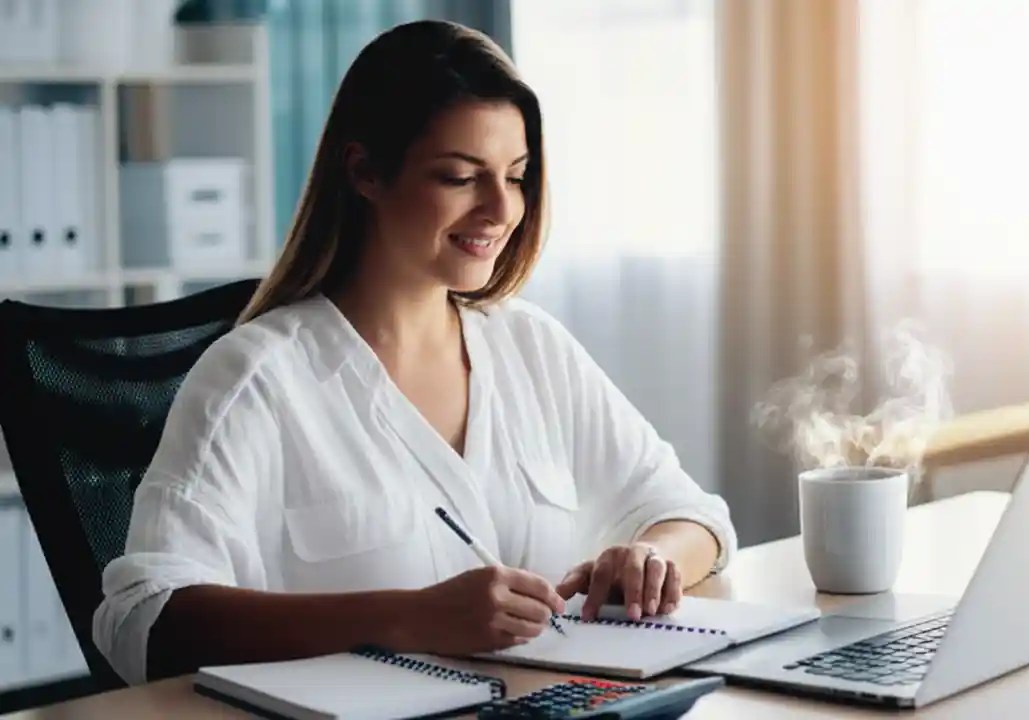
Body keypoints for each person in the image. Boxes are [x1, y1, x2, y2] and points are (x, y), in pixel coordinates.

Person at [92, 20, 736, 686]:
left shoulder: (531, 346)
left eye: (515, 177)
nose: (499, 209)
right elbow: (147, 621)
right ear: (366, 171)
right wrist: (407, 617)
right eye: (460, 177)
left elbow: (696, 518)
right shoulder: (256, 378)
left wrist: (653, 558)